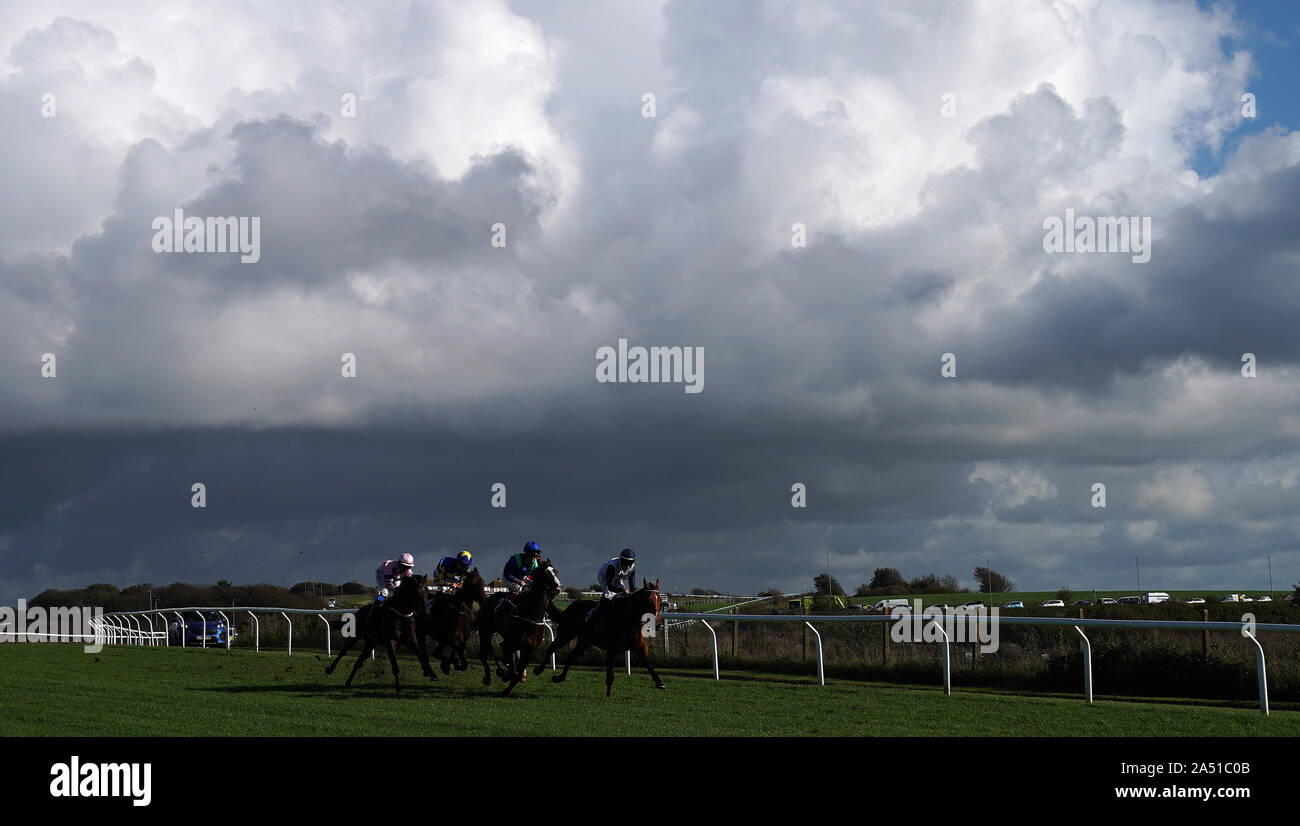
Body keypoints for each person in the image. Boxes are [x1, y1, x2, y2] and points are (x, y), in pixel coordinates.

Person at [587, 548, 637, 625]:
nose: (628, 567)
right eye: (626, 563)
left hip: (617, 577)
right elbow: (610, 587)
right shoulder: (612, 566)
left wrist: (632, 594)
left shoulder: (632, 568)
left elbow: (632, 586)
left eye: (630, 564)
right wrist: (623, 590)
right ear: (622, 561)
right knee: (609, 596)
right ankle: (592, 613)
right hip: (605, 578)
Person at [498, 541, 541, 617]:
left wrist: (529, 582)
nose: (532, 559)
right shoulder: (515, 560)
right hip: (509, 577)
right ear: (526, 554)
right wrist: (519, 582)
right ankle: (502, 605)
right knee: (517, 588)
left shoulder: (535, 564)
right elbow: (508, 574)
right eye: (530, 556)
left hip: (522, 577)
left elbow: (534, 578)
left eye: (534, 557)